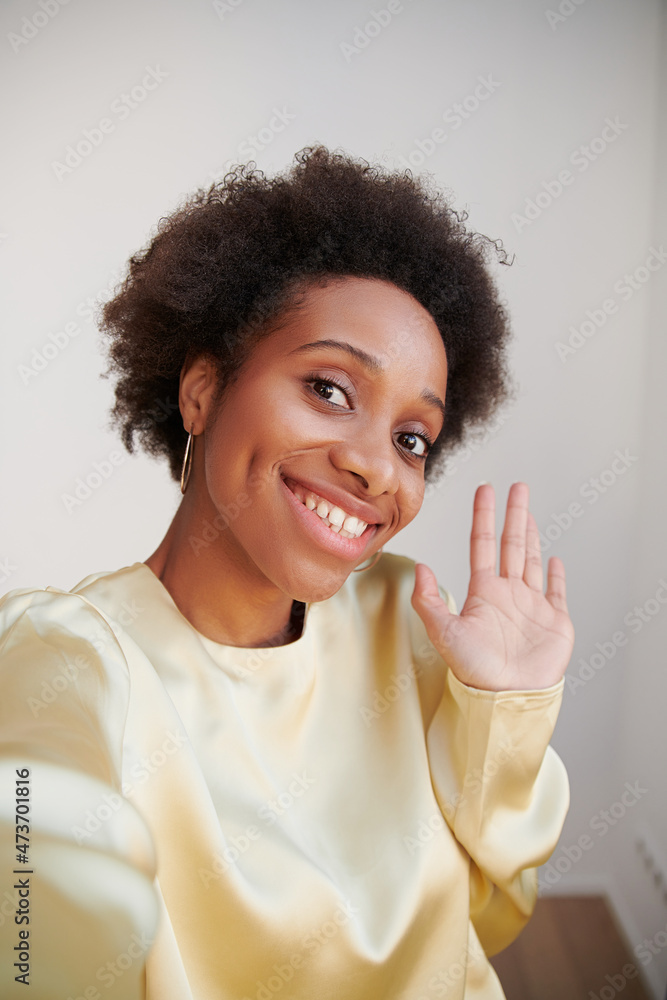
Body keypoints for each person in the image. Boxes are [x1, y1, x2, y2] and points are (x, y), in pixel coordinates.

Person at [0, 146, 573, 999]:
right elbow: (35, 923)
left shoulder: (405, 618)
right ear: (201, 390)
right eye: (329, 389)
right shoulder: (68, 658)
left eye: (411, 438)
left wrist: (503, 714)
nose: (375, 467)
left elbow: (486, 917)